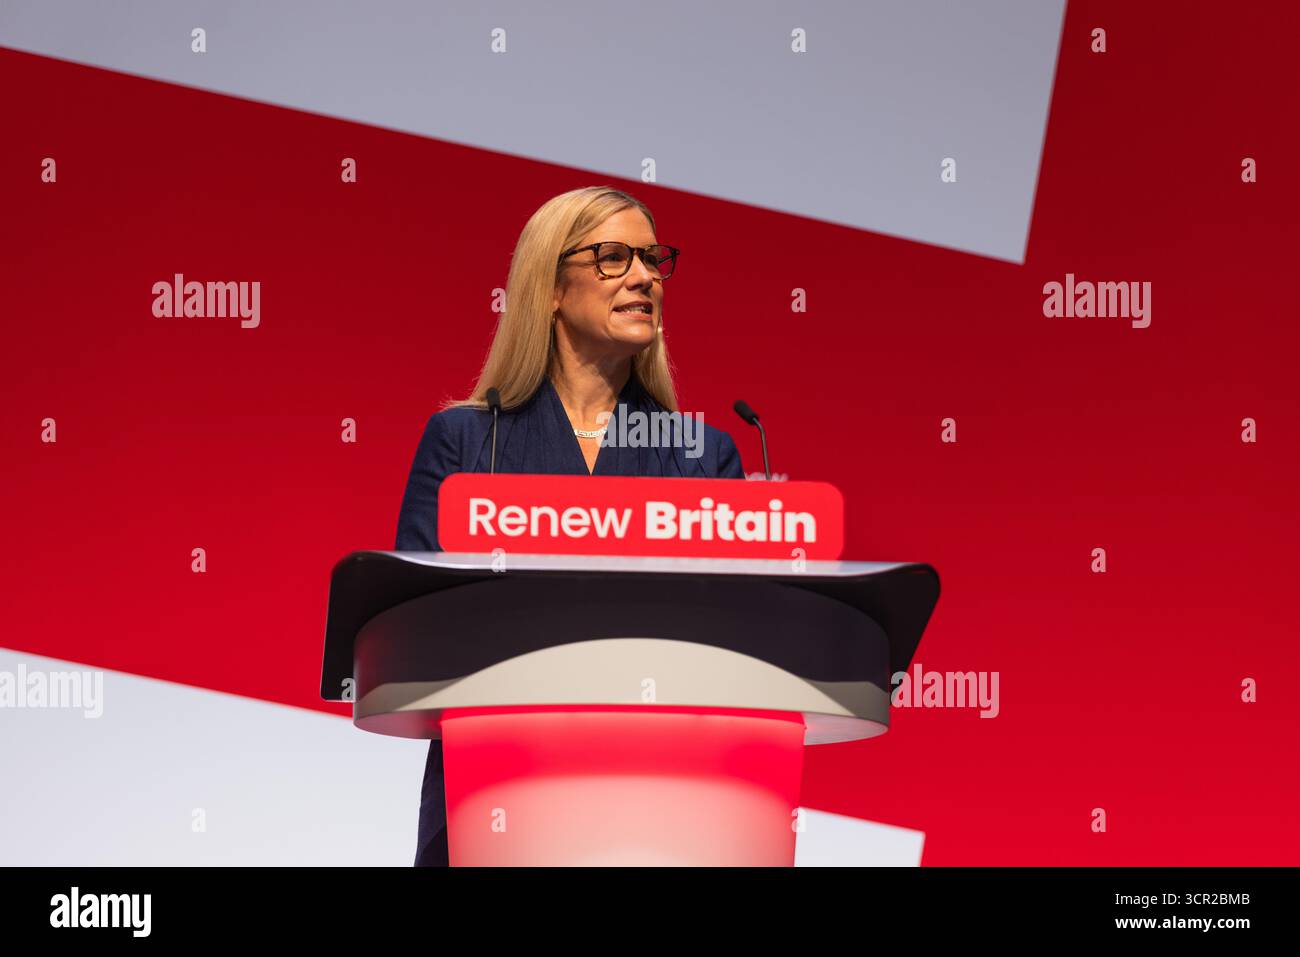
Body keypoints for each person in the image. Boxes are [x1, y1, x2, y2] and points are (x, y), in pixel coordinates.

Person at [394, 185, 746, 866]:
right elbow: (409, 639)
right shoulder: (467, 444)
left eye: (652, 258)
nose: (645, 276)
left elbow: (734, 646)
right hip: (490, 805)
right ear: (550, 287)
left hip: (661, 809)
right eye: (614, 257)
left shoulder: (705, 457)